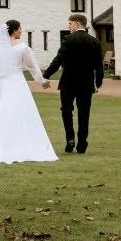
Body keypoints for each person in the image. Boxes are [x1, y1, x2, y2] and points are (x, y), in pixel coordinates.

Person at [0, 19, 58, 164]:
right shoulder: (22, 47)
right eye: (20, 29)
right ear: (14, 30)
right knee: (21, 113)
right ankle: (22, 146)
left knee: (3, 114)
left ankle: (5, 146)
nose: (22, 31)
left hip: (1, 84)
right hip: (17, 84)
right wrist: (42, 81)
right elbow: (32, 67)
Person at [42, 14, 104, 154]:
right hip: (86, 84)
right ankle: (82, 143)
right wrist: (98, 84)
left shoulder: (68, 39)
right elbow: (99, 66)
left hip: (68, 82)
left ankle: (70, 138)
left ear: (77, 24)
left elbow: (58, 60)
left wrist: (45, 75)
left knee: (66, 111)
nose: (69, 27)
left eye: (70, 24)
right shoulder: (94, 41)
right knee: (84, 113)